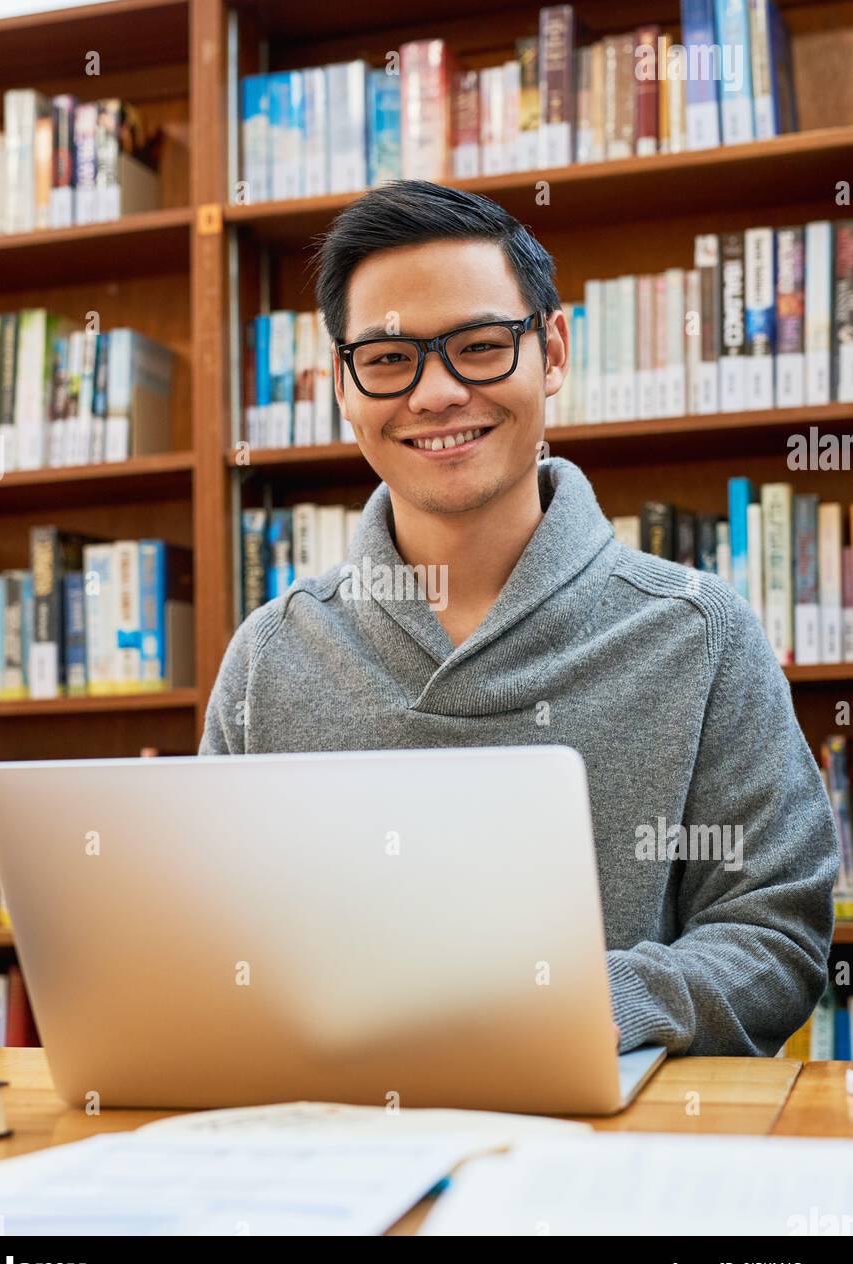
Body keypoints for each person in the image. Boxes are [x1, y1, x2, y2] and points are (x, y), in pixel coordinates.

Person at [201, 178, 838, 1056]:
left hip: (605, 1144)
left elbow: (777, 934)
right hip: (331, 1133)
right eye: (388, 360)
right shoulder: (271, 655)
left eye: (478, 346)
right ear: (341, 388)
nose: (435, 394)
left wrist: (575, 1004)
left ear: (554, 351)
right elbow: (208, 939)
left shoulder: (699, 632)